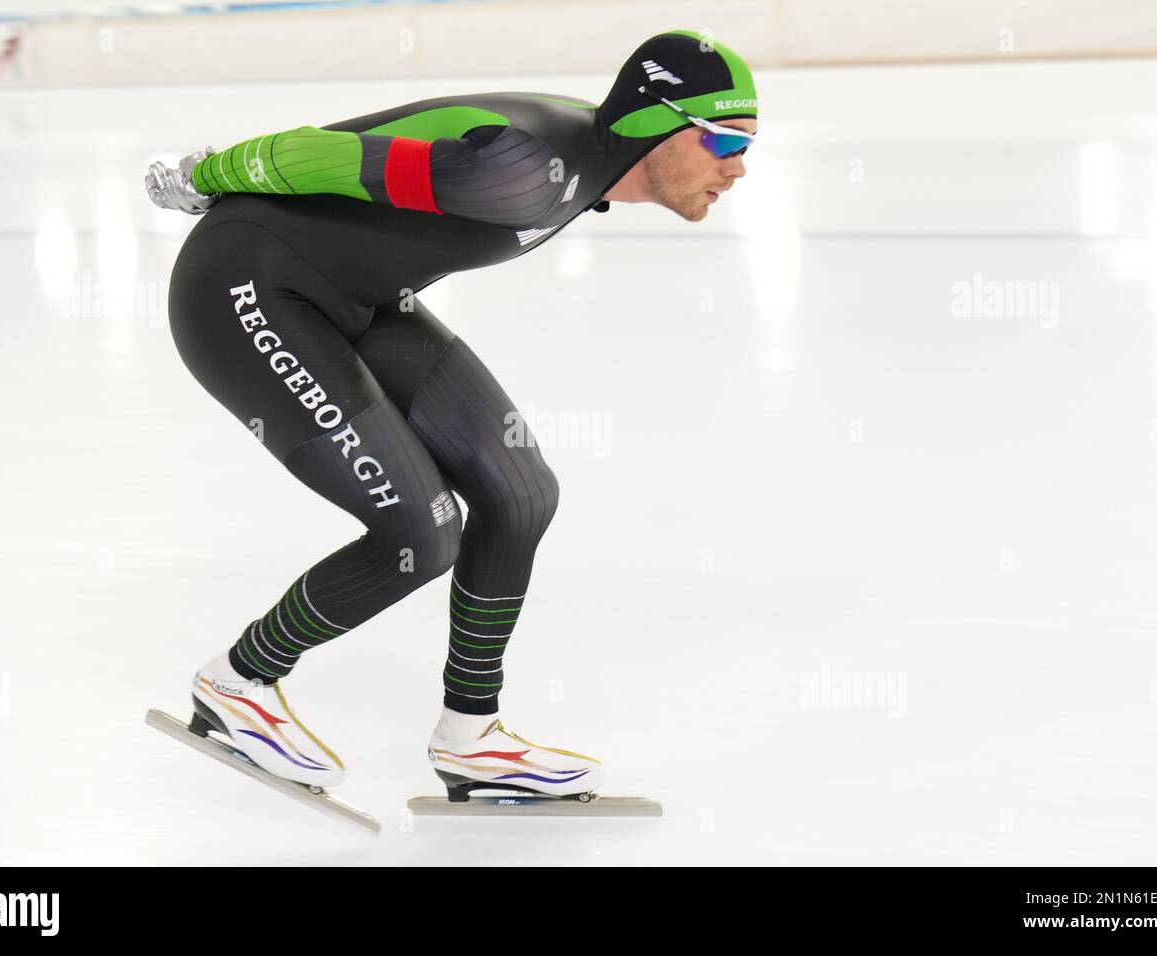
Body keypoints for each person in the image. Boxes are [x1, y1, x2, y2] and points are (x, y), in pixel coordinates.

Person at [146, 28, 757, 802]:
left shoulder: (588, 164)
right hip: (245, 288)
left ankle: (471, 736)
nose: (737, 165)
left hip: (353, 298)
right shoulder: (525, 170)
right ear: (654, 124)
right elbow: (321, 154)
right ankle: (238, 682)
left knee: (520, 490)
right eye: (725, 138)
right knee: (421, 531)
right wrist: (206, 172)